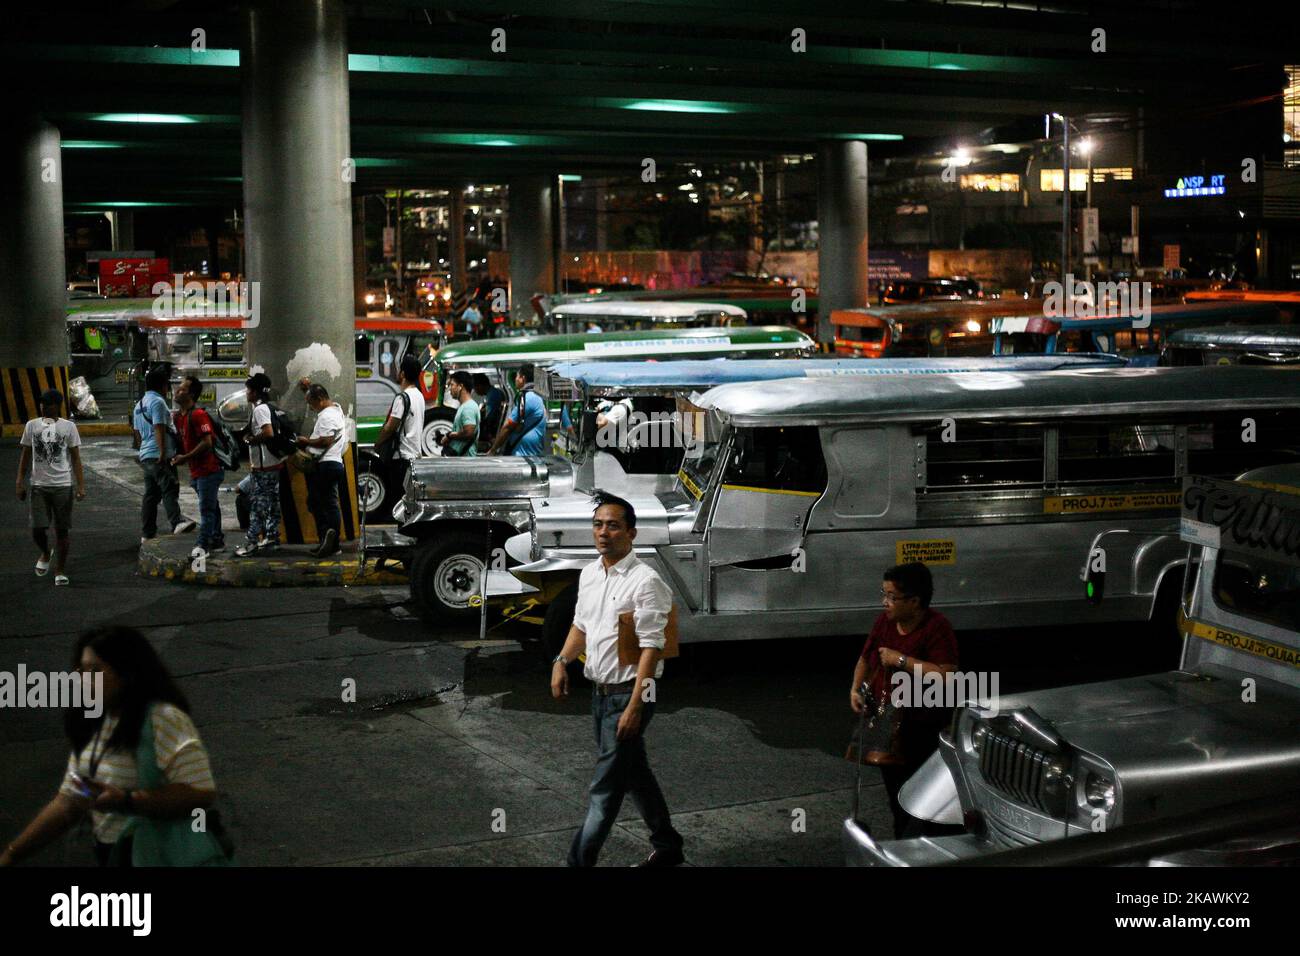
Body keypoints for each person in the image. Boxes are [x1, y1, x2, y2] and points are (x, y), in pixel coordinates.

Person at [0, 626, 223, 867]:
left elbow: (201, 792)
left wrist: (128, 801)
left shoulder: (162, 718)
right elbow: (69, 801)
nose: (84, 679)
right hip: (113, 855)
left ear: (127, 673)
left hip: (157, 854)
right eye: (82, 669)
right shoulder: (95, 722)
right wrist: (13, 854)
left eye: (95, 670)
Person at [551, 492, 685, 867]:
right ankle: (668, 846)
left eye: (613, 526)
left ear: (632, 533)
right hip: (600, 692)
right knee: (633, 773)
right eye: (598, 525)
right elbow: (582, 625)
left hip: (632, 693)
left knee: (604, 790)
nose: (603, 533)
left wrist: (635, 707)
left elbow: (652, 648)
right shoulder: (590, 573)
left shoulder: (646, 582)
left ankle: (577, 863)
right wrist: (561, 660)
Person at [850, 562, 959, 839]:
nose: (885, 602)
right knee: (897, 797)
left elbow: (947, 675)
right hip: (888, 725)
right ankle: (902, 844)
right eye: (884, 594)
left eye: (892, 597)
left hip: (923, 728)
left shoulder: (937, 627)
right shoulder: (883, 623)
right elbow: (865, 658)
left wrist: (902, 660)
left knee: (922, 799)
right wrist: (855, 689)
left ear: (914, 601)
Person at [16, 389, 86, 587]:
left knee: (62, 530)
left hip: (62, 485)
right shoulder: (31, 426)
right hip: (38, 485)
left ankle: (60, 570)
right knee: (37, 529)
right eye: (42, 403)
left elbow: (76, 457)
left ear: (57, 405)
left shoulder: (69, 427)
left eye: (48, 403)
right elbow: (25, 455)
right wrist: (19, 481)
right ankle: (46, 551)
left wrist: (81, 485)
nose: (44, 407)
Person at [132, 365, 194, 543]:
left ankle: (147, 533)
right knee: (169, 486)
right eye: (167, 385)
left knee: (151, 495)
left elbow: (136, 433)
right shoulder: (158, 402)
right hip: (158, 454)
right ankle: (176, 522)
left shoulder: (139, 404)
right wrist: (161, 453)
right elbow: (158, 427)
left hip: (146, 453)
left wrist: (143, 450)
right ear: (162, 386)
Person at [170, 376, 225, 556]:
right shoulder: (179, 417)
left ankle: (203, 546)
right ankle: (216, 539)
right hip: (196, 471)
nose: (177, 391)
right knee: (212, 506)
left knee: (206, 509)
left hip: (209, 469)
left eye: (182, 389)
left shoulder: (198, 415)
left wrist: (185, 457)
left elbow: (207, 442)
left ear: (191, 394)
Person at [295, 383, 348, 557]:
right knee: (325, 503)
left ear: (319, 400)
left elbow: (326, 440)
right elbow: (318, 392)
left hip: (326, 465)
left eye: (311, 402)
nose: (310, 407)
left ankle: (329, 538)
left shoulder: (326, 416)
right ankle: (330, 542)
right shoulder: (336, 410)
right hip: (333, 464)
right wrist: (308, 387)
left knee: (322, 503)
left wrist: (306, 441)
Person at [235, 372, 283, 557]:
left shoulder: (260, 409)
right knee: (272, 505)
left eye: (248, 390)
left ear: (255, 392)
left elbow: (268, 433)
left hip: (264, 468)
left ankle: (251, 543)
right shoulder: (269, 408)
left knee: (257, 506)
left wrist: (252, 440)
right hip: (273, 466)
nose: (246, 393)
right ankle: (272, 539)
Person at [373, 354, 424, 491]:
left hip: (401, 458)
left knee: (396, 499)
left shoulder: (402, 398)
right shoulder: (419, 396)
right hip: (415, 457)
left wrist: (378, 443)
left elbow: (390, 427)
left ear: (402, 373)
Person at [488, 363, 546, 456]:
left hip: (524, 455)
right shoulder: (534, 395)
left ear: (522, 378)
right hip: (527, 452)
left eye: (517, 376)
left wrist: (493, 449)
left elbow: (508, 426)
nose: (515, 379)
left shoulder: (529, 398)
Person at [439, 371, 479, 457]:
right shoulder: (464, 406)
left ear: (460, 386)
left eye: (452, 385)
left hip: (465, 460)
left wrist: (449, 435)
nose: (450, 389)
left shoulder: (469, 407)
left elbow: (468, 433)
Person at [472, 373, 506, 449]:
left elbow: (490, 417)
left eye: (475, 387)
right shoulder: (494, 392)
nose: (475, 390)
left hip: (493, 430)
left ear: (480, 385)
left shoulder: (492, 395)